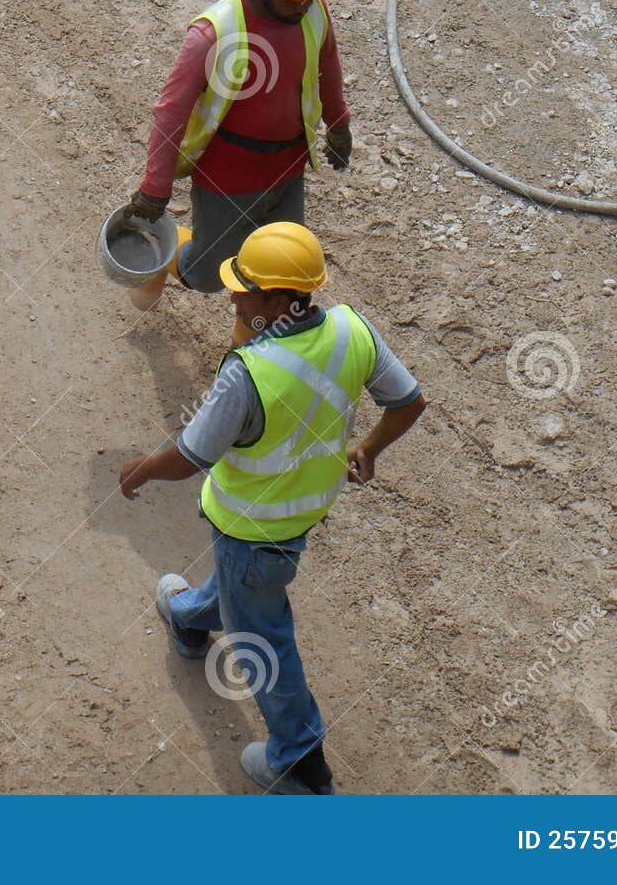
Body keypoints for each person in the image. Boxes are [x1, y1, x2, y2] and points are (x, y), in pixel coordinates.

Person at [119, 222, 425, 794]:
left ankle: (301, 760)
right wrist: (370, 449)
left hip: (251, 527)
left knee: (262, 635)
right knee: (242, 590)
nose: (233, 296)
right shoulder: (349, 329)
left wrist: (141, 470)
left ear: (281, 299)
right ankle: (188, 618)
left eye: (246, 289)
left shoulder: (249, 371)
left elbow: (191, 456)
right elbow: (409, 401)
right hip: (298, 518)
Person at [126, 0, 352, 341]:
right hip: (227, 179)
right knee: (209, 276)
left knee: (280, 281)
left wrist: (339, 124)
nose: (305, 4)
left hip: (287, 170)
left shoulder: (312, 13)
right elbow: (170, 111)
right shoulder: (215, 33)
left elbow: (328, 67)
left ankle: (244, 377)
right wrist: (156, 188)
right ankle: (167, 250)